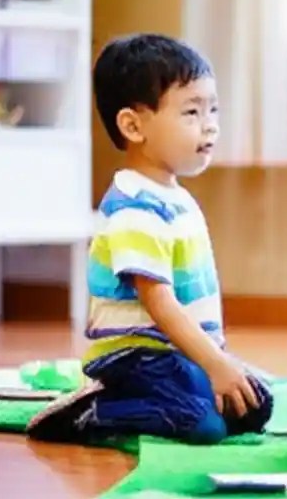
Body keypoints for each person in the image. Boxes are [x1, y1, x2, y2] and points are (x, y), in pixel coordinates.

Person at [28, 34, 272, 445]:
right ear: (133, 125)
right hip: (137, 357)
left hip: (172, 354)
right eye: (192, 112)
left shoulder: (174, 198)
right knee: (204, 423)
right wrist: (215, 363)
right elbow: (160, 304)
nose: (209, 123)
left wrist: (218, 362)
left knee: (255, 406)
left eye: (213, 109)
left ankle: (173, 392)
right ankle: (95, 410)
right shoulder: (135, 207)